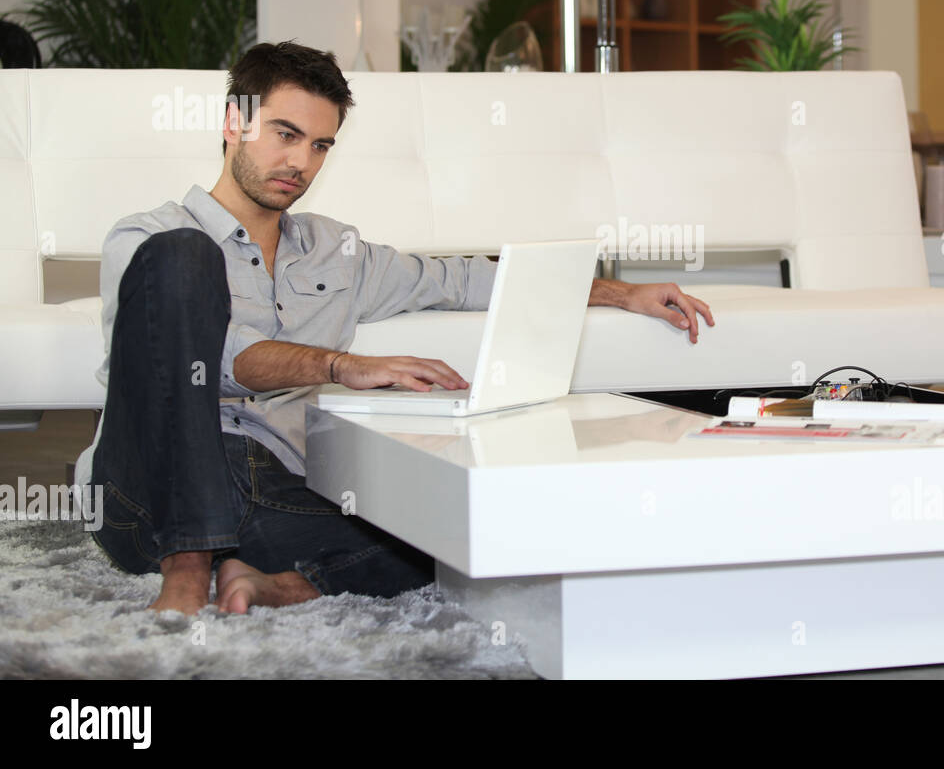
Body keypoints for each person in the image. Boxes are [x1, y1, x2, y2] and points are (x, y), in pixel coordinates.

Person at [74, 41, 715, 616]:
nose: (300, 161)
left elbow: (457, 279)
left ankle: (269, 581)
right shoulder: (146, 237)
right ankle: (187, 572)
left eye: (320, 145)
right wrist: (340, 365)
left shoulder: (337, 251)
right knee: (188, 254)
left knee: (445, 542)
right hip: (144, 489)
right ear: (233, 124)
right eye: (285, 134)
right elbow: (218, 358)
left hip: (262, 481)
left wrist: (619, 292)